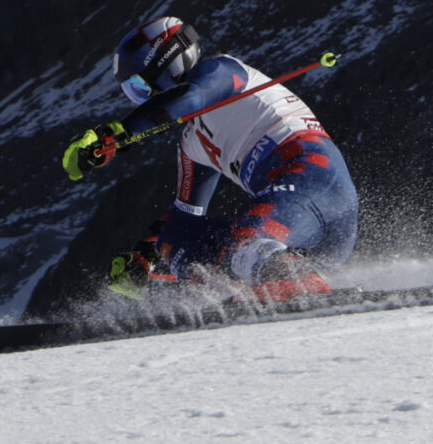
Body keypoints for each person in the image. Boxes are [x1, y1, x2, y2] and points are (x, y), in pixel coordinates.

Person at [60, 17, 358, 302]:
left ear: (167, 67)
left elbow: (190, 97)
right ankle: (219, 293)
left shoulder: (222, 70)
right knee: (177, 233)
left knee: (248, 233)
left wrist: (118, 134)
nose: (143, 99)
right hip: (292, 231)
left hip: (315, 180)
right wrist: (145, 255)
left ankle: (287, 276)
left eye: (139, 88)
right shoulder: (193, 142)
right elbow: (185, 214)